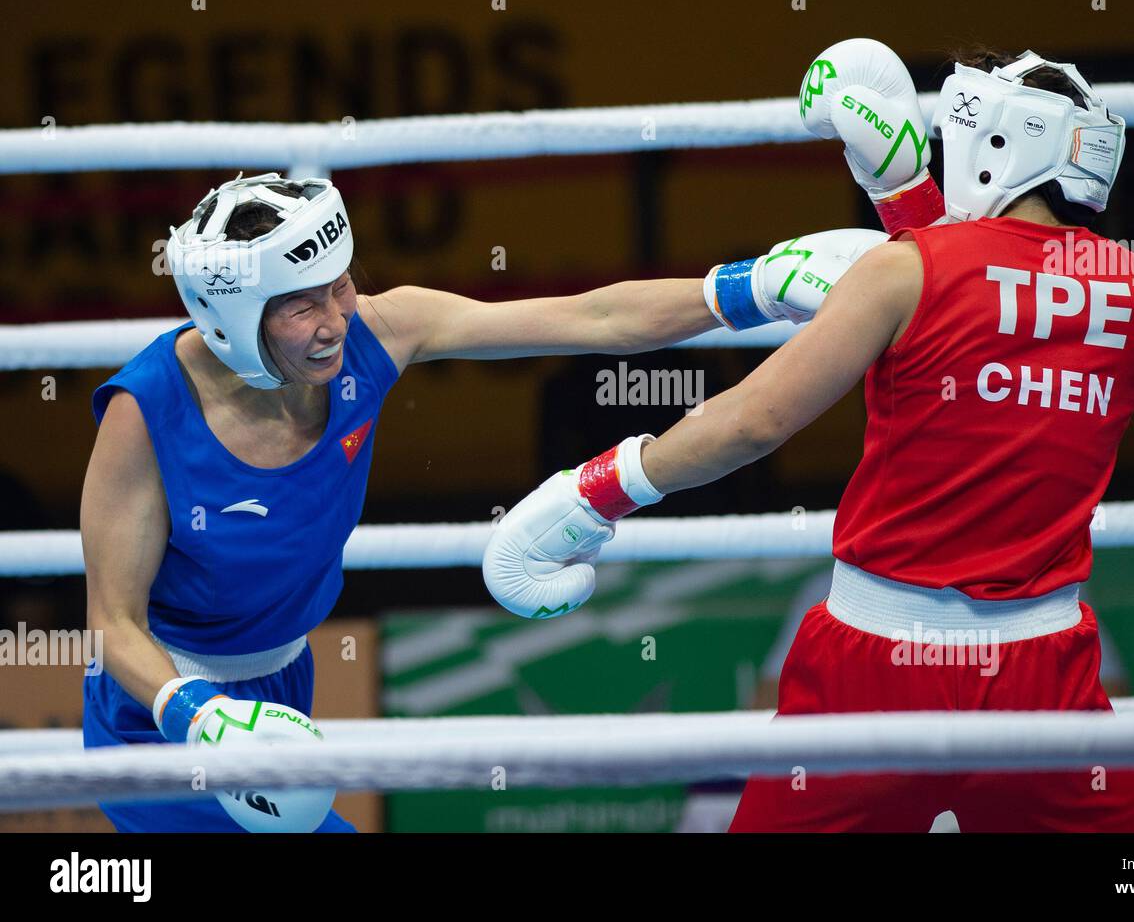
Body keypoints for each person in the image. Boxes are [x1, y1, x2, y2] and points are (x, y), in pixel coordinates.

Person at [483, 47, 1134, 832]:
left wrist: (594, 493)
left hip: (875, 663)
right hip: (1042, 674)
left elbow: (754, 421)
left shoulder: (902, 273)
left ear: (991, 141)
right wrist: (903, 203)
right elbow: (991, 303)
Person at [80, 171, 885, 832]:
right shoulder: (145, 413)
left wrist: (748, 289)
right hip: (161, 709)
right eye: (300, 306)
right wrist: (199, 713)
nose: (334, 321)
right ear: (229, 318)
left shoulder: (378, 332)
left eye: (340, 286)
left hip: (284, 678)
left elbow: (592, 319)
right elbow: (112, 622)